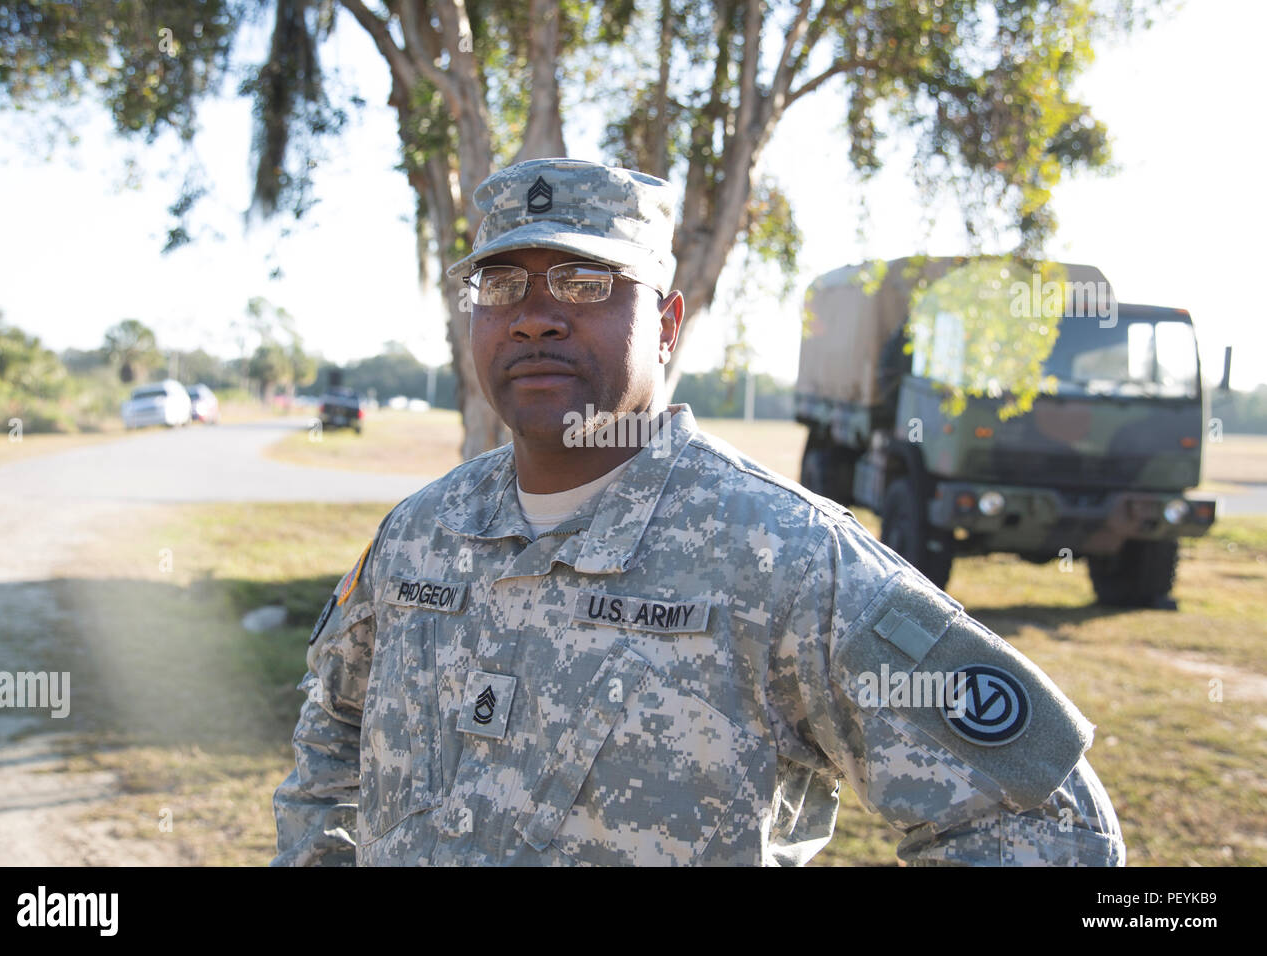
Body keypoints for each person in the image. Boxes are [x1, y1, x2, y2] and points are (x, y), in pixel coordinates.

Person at [272, 157, 1126, 866]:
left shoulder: (787, 557)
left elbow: (1043, 824)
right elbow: (331, 732)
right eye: (500, 285)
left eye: (584, 280)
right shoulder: (419, 535)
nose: (534, 318)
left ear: (669, 324)